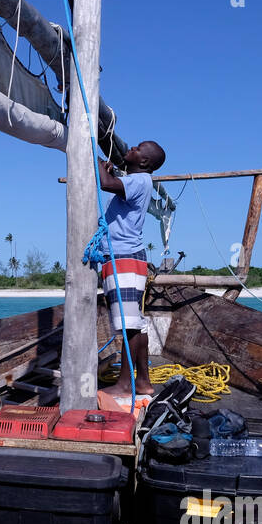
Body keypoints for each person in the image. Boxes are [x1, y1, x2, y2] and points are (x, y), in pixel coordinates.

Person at [96, 141, 166, 399]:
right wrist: (111, 173)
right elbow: (114, 183)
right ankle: (144, 382)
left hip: (122, 258)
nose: (131, 148)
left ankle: (126, 384)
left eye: (137, 148)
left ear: (144, 162)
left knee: (128, 326)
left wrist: (101, 166)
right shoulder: (139, 182)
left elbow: (105, 184)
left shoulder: (139, 180)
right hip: (129, 257)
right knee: (136, 325)